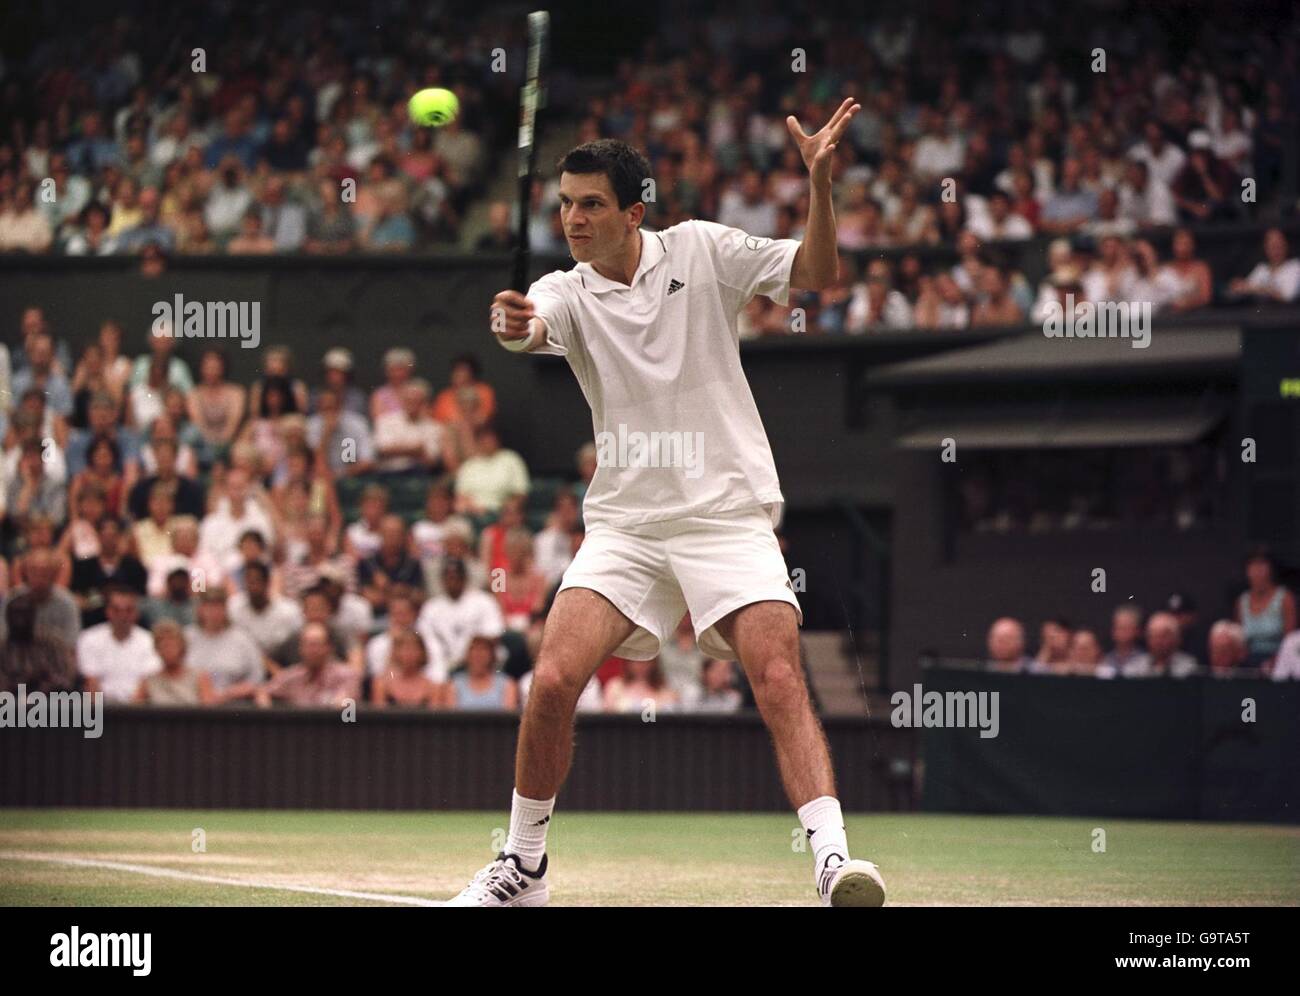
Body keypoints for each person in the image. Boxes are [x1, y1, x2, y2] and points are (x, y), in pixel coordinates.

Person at [451, 120, 885, 907]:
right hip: (627, 525)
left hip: (725, 511)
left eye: (590, 205)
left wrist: (819, 184)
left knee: (780, 674)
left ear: (634, 212)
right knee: (550, 680)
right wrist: (513, 326)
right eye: (564, 206)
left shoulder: (704, 252)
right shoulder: (565, 290)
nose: (573, 220)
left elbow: (818, 272)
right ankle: (523, 867)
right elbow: (529, 327)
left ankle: (832, 861)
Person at [75, 584, 160, 702]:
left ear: (136, 613)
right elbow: (91, 683)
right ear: (107, 611)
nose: (122, 616)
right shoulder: (89, 638)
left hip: (139, 711)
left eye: (128, 610)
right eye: (116, 610)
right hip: (101, 711)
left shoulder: (149, 641)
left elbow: (146, 684)